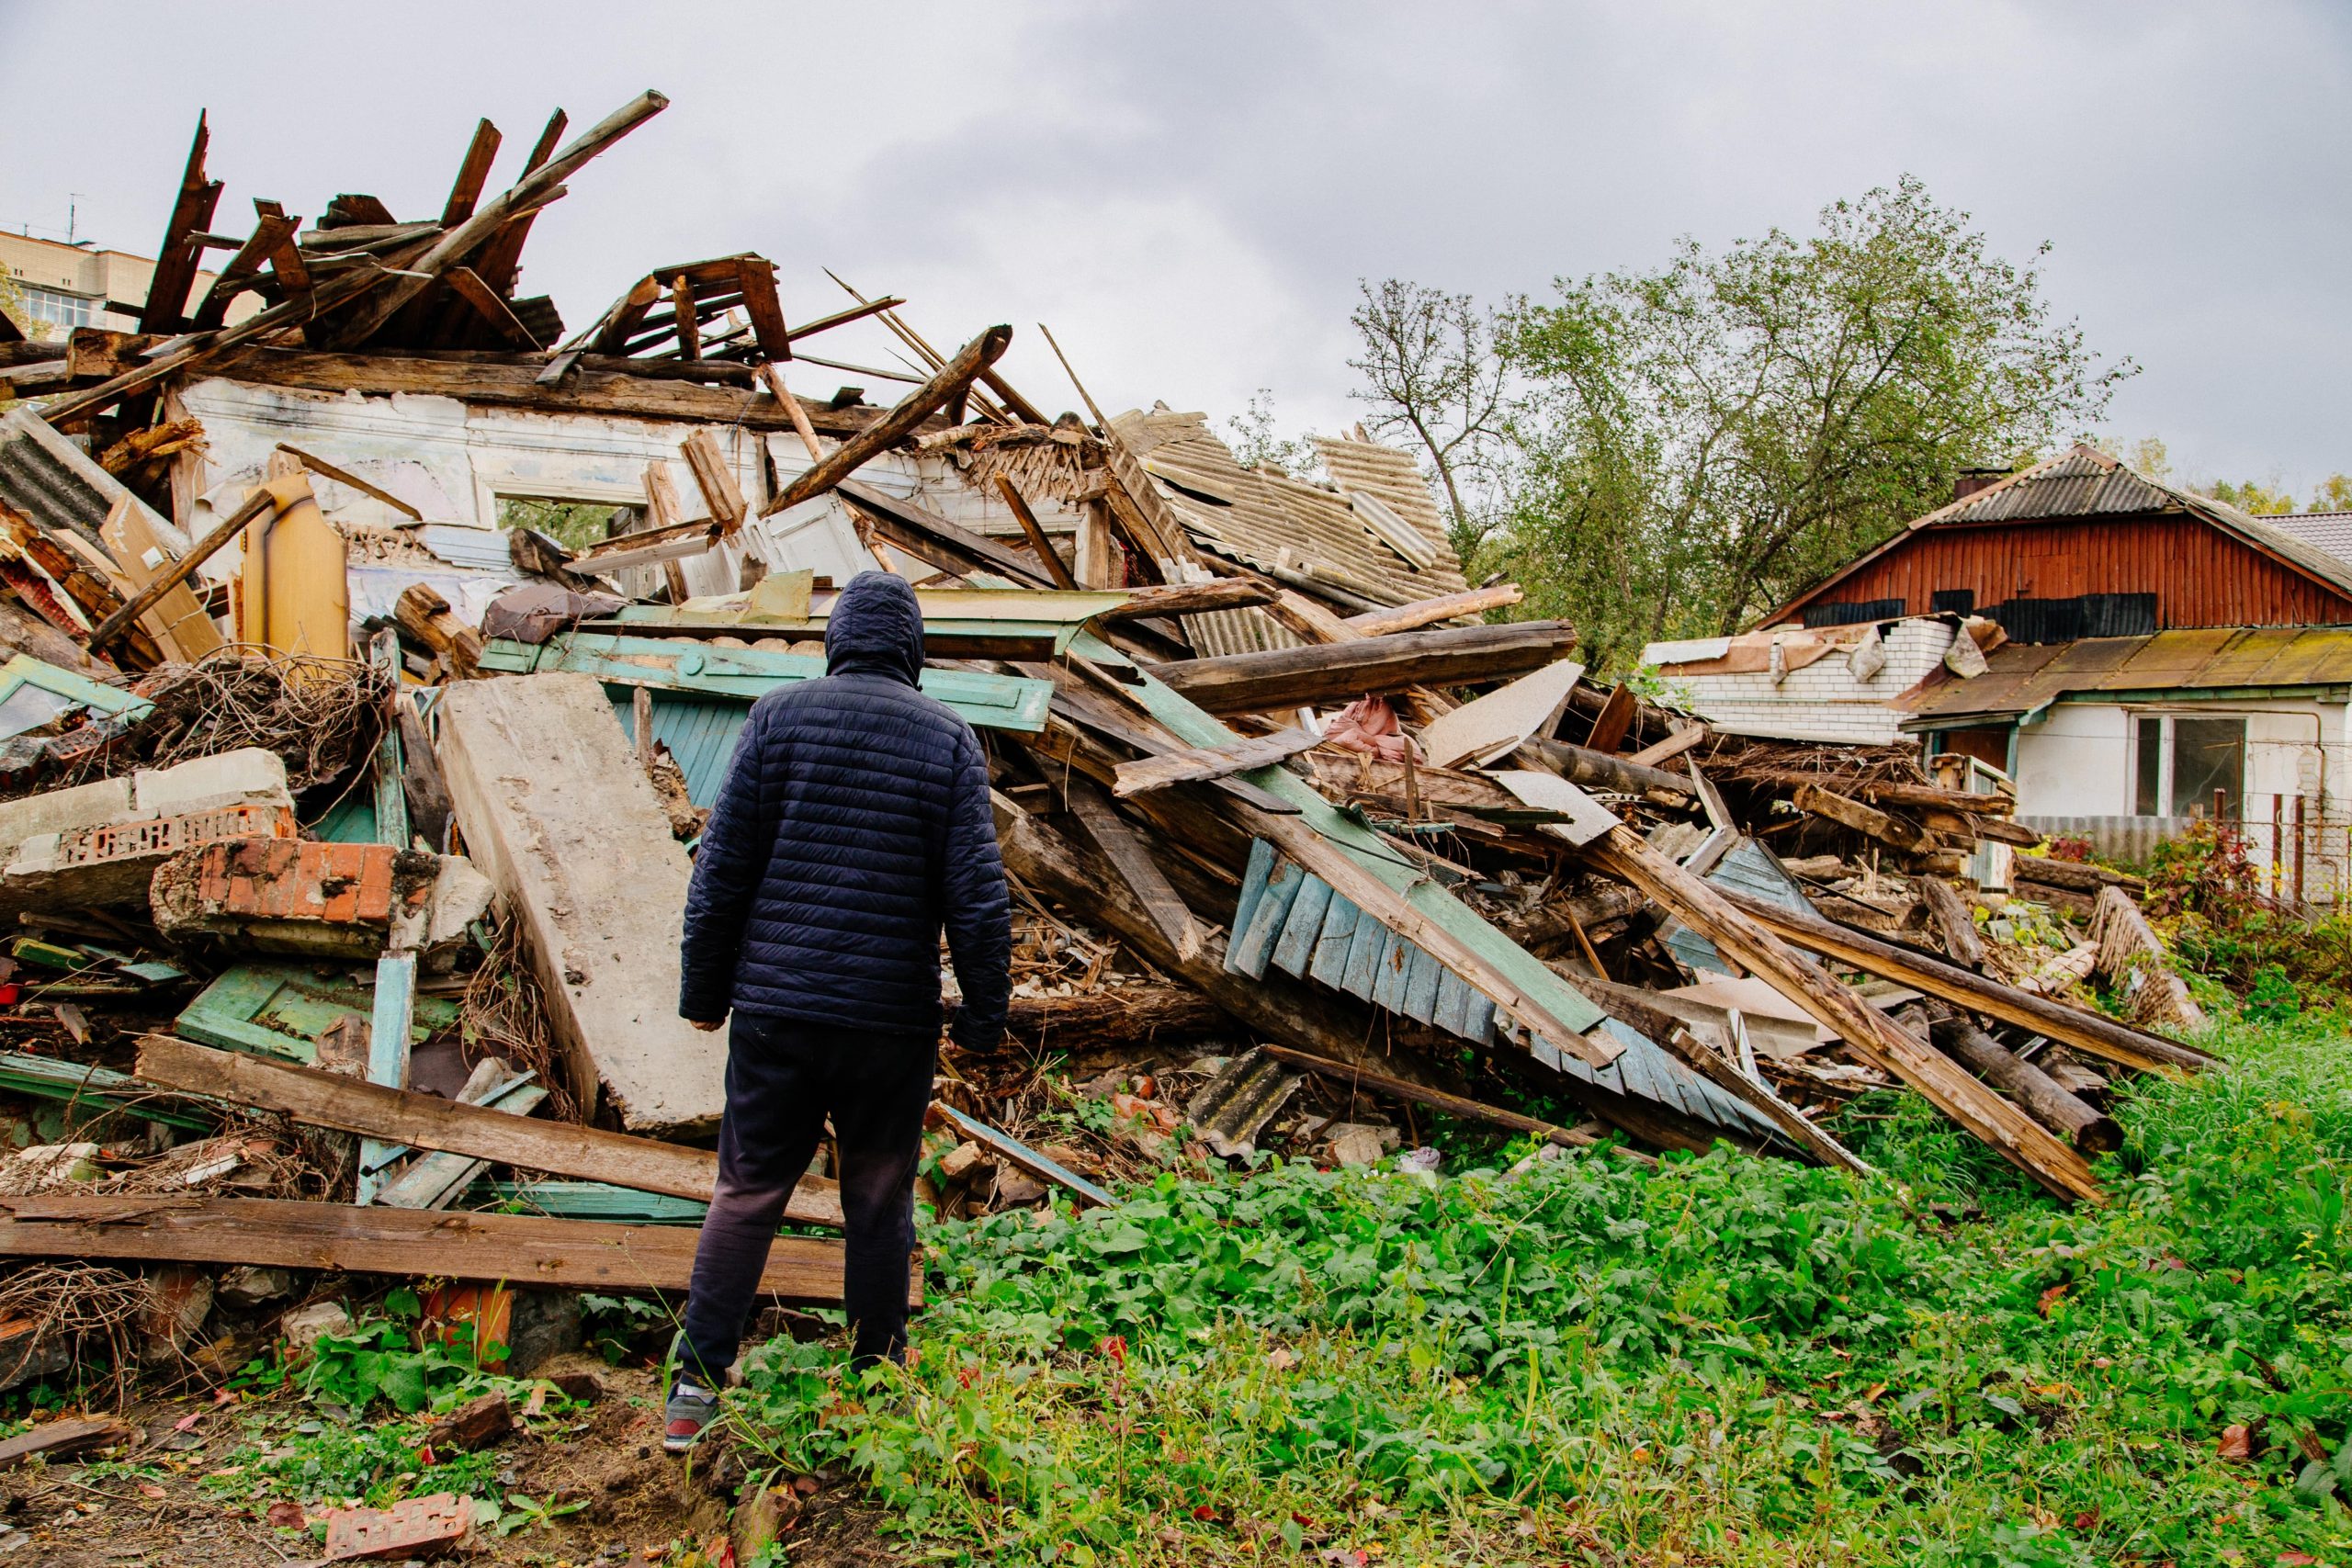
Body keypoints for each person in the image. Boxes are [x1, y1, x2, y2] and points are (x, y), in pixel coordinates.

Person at [665, 570, 1010, 1453]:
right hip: (887, 1026)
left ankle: (693, 1390)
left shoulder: (776, 720)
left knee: (745, 1192)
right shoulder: (948, 741)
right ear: (913, 649)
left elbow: (721, 873)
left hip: (776, 1011)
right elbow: (977, 899)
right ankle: (877, 1384)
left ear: (836, 641)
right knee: (878, 1199)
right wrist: (981, 1017)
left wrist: (704, 994)